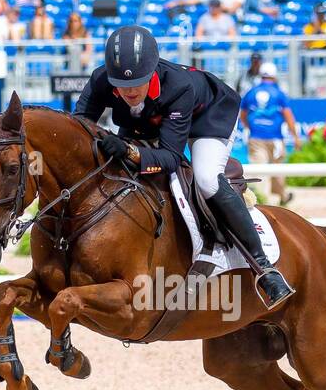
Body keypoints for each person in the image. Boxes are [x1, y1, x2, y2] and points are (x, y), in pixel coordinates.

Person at [76, 26, 294, 306]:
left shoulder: (178, 87)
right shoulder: (101, 81)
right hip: (152, 121)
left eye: (138, 83)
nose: (129, 91)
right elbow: (78, 128)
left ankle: (264, 268)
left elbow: (169, 157)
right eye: (121, 84)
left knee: (206, 179)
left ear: (153, 71)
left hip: (209, 117)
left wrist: (130, 150)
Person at [239, 62, 298, 205]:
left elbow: (243, 114)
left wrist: (250, 126)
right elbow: (288, 115)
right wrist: (295, 136)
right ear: (274, 76)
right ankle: (282, 197)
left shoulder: (251, 91)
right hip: (276, 137)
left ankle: (262, 201)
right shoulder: (279, 93)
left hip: (256, 137)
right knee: (277, 169)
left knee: (260, 171)